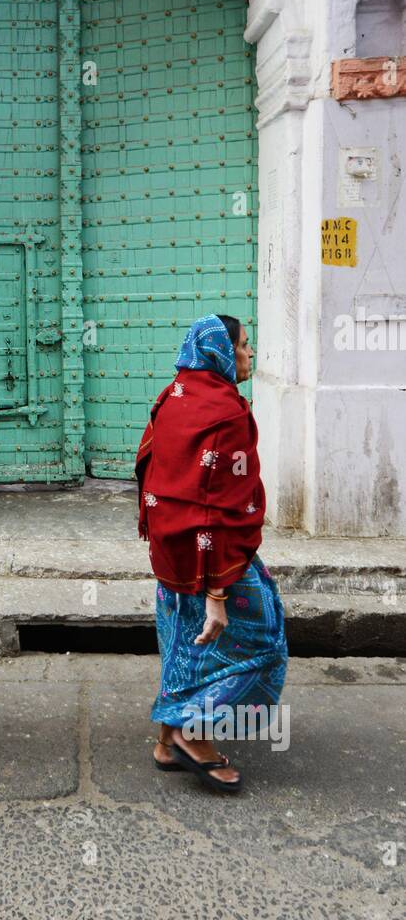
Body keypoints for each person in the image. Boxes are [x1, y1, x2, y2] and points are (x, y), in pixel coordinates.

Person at [135, 314, 288, 794]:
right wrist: (217, 592)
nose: (249, 354)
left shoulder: (172, 396)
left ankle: (166, 743)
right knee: (264, 643)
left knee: (182, 643)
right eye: (243, 346)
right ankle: (193, 731)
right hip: (214, 559)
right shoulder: (227, 412)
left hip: (173, 555)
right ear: (221, 352)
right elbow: (221, 505)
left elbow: (148, 470)